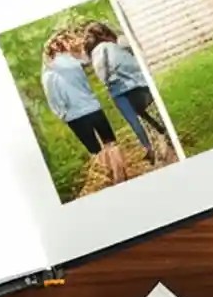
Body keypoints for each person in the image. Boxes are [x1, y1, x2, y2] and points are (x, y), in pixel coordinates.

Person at [42, 28, 126, 183]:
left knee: (95, 149)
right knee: (110, 142)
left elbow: (54, 98)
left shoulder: (49, 74)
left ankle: (111, 178)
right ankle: (121, 172)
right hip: (93, 107)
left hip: (74, 116)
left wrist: (62, 113)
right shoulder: (75, 63)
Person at [81, 21, 169, 165]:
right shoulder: (117, 44)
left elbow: (101, 74)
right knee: (144, 108)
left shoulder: (93, 55)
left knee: (133, 121)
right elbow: (133, 61)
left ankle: (148, 147)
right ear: (105, 33)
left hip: (115, 90)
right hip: (134, 83)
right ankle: (161, 130)